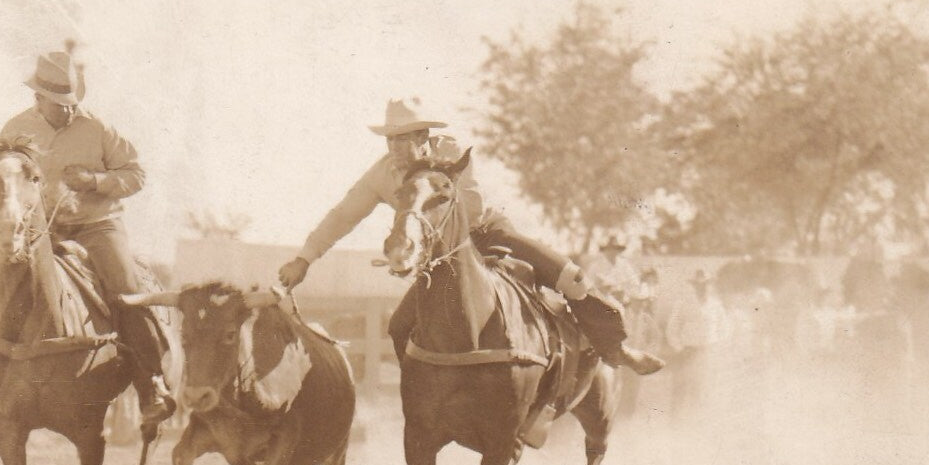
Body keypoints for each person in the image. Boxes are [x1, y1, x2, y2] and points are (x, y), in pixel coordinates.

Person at [276, 98, 663, 375]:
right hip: (440, 256)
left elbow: (471, 207)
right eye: (390, 140)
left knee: (570, 278)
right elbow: (343, 215)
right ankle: (421, 393)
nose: (395, 147)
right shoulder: (382, 174)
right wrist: (304, 258)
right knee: (398, 327)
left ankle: (615, 349)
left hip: (487, 232)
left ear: (423, 137)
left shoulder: (451, 155)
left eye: (403, 139)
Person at [0, 50, 170, 422]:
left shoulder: (98, 129)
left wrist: (95, 181)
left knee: (127, 290)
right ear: (38, 97)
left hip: (97, 225)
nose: (68, 108)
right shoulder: (15, 130)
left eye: (71, 100)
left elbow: (136, 174)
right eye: (58, 101)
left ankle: (152, 384)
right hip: (37, 231)